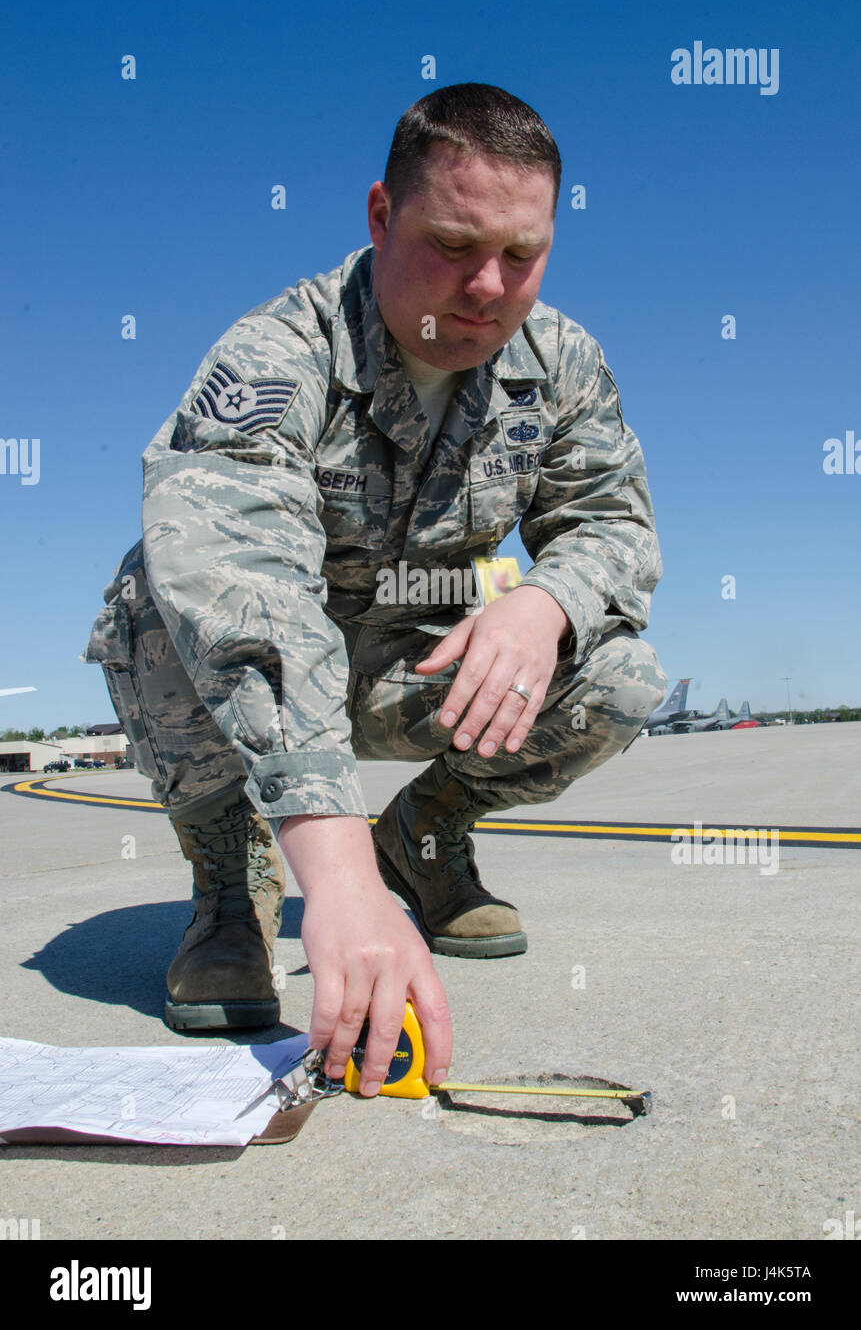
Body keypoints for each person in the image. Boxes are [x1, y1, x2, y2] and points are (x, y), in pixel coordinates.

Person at [84, 83, 667, 1098]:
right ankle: (232, 884)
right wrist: (337, 877)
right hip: (270, 696)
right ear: (381, 216)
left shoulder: (563, 363)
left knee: (617, 676)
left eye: (522, 256)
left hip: (416, 673)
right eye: (452, 244)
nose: (488, 286)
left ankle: (426, 838)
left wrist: (545, 602)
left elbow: (614, 524)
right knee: (151, 599)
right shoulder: (281, 351)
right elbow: (240, 584)